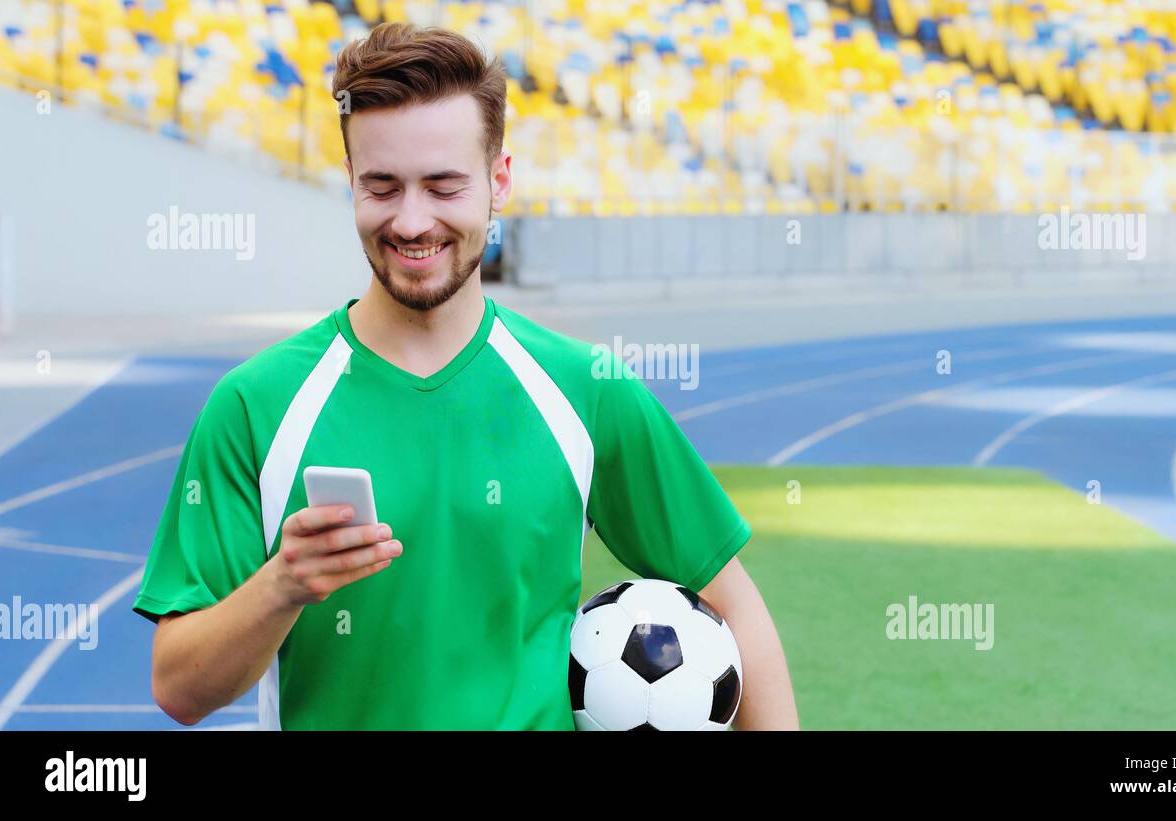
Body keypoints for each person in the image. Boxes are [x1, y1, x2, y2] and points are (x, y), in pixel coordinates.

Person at [133, 23, 798, 730]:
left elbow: (737, 609)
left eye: (443, 185)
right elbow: (180, 688)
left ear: (499, 181)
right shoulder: (254, 405)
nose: (412, 221)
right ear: (351, 182)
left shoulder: (588, 389)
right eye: (381, 186)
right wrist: (281, 586)